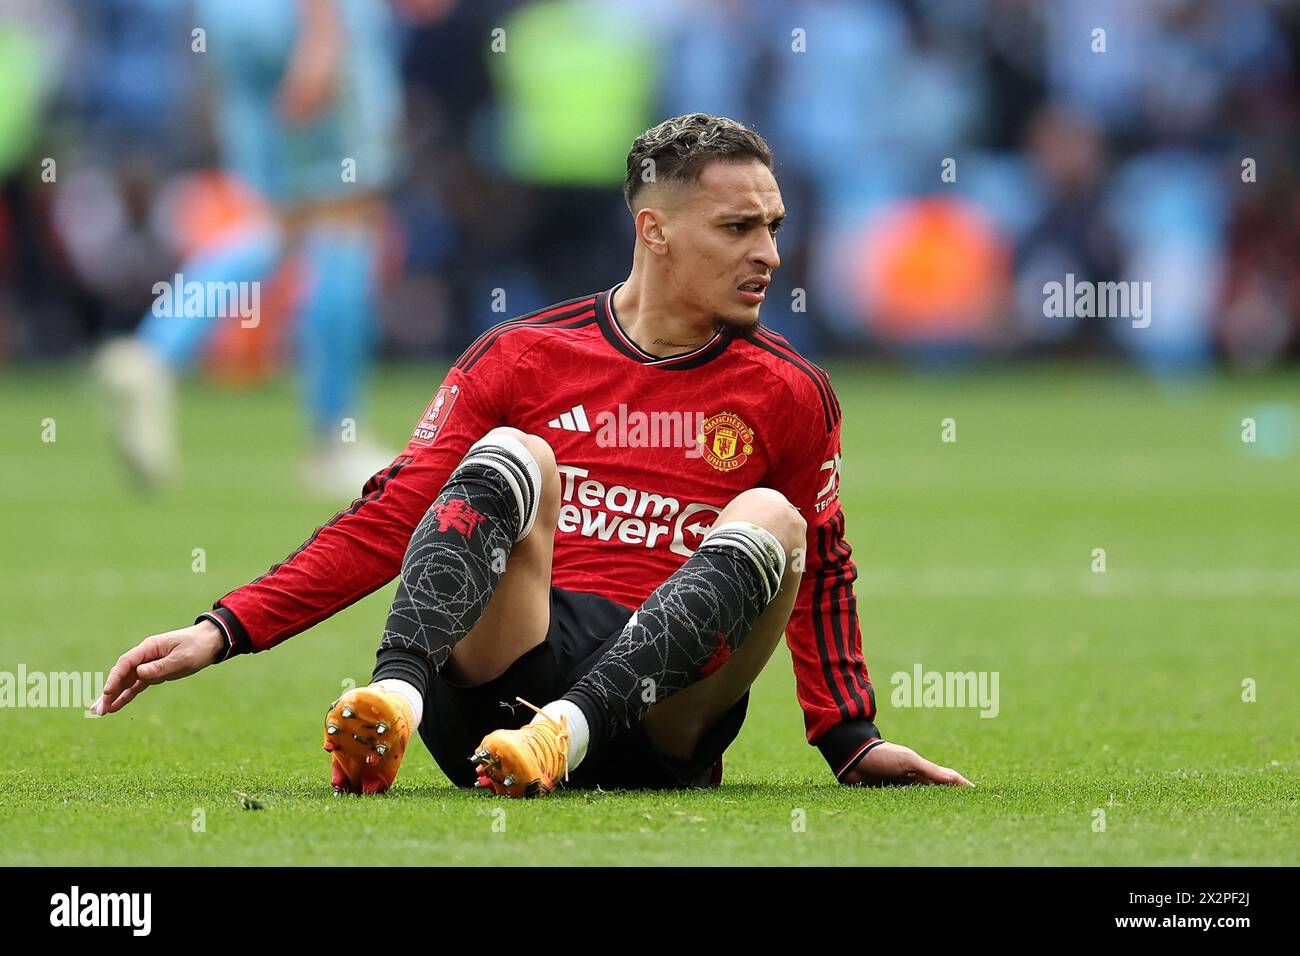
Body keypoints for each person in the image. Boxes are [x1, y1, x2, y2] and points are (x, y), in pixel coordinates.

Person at [92, 114, 973, 797]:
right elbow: (393, 514)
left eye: (774, 227)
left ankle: (568, 730)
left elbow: (823, 572)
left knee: (777, 523)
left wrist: (851, 739)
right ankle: (394, 699)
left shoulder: (789, 391)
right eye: (740, 228)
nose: (770, 255)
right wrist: (223, 628)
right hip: (496, 679)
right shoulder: (522, 356)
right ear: (655, 231)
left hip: (658, 722)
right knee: (512, 450)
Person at [95, 0, 402, 494]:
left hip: (231, 19)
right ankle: (335, 436)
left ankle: (154, 353)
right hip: (304, 19)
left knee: (279, 222)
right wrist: (321, 36)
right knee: (346, 218)